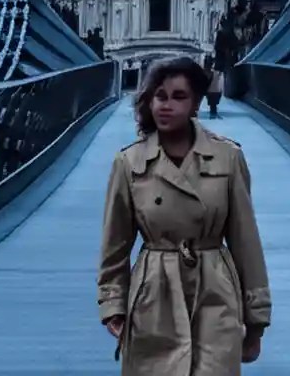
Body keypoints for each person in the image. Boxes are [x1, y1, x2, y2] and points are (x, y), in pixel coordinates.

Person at [98, 57, 271, 375]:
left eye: (179, 97)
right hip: (154, 293)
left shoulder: (228, 158)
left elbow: (246, 241)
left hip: (215, 291)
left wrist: (256, 317)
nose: (166, 105)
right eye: (159, 96)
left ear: (195, 104)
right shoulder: (129, 162)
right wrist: (113, 305)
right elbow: (115, 244)